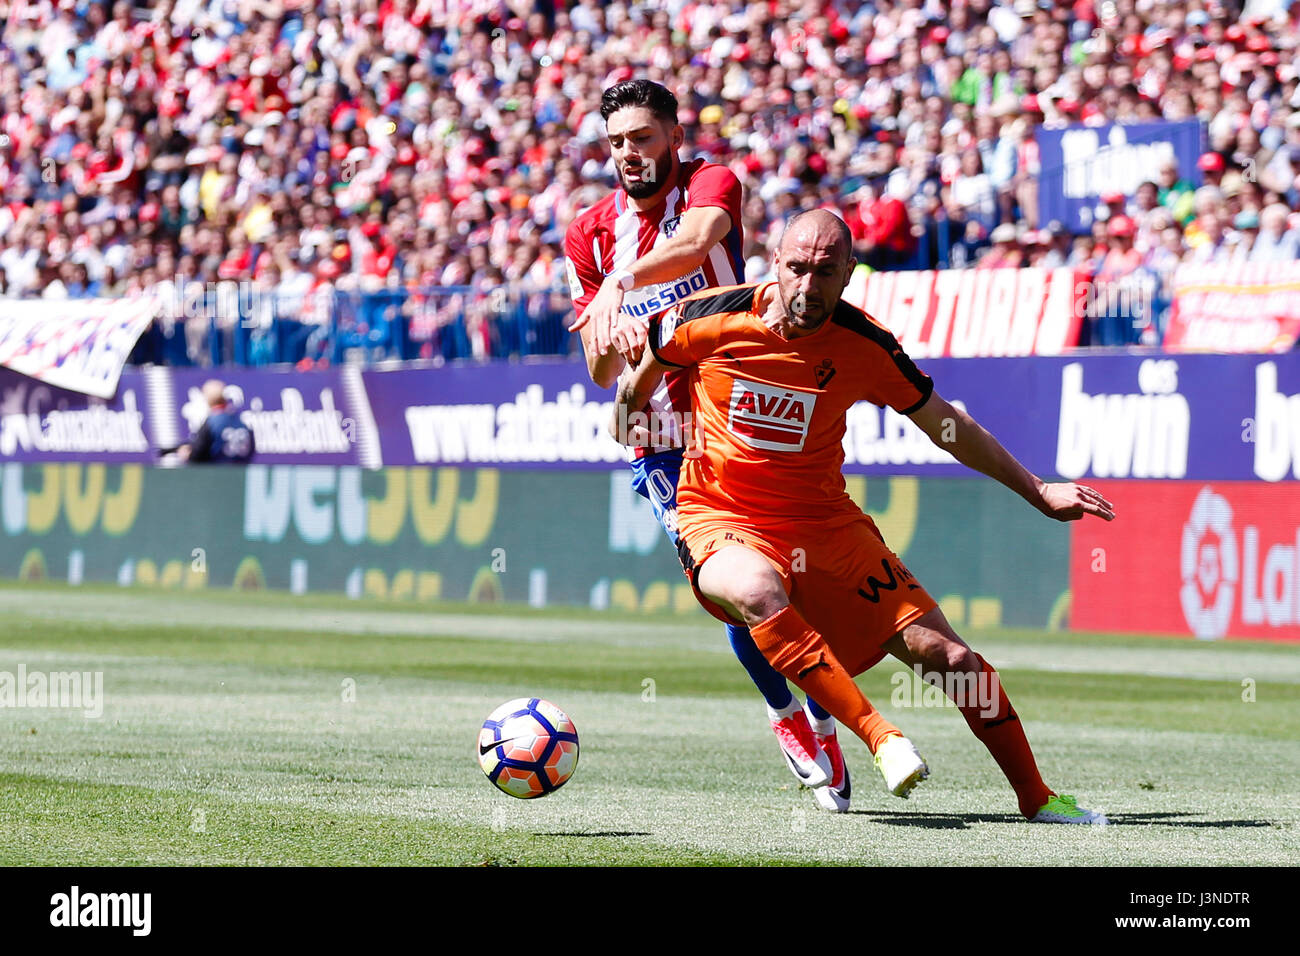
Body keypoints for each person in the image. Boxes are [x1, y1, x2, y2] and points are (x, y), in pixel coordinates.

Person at [612, 209, 1115, 824]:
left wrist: (1037, 490)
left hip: (826, 523)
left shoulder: (866, 345)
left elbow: (946, 426)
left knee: (953, 661)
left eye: (825, 271)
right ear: (775, 263)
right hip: (718, 512)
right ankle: (880, 736)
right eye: (797, 268)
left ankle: (1037, 798)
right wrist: (631, 405)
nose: (808, 285)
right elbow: (646, 368)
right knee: (756, 589)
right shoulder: (707, 317)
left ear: (849, 273)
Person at [563, 80, 850, 809]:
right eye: (618, 141)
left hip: (746, 419)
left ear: (673, 138)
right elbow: (600, 370)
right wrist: (619, 336)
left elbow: (697, 243)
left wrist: (625, 290)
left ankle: (822, 711)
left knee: (795, 582)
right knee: (733, 589)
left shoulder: (709, 186)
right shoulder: (590, 231)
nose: (630, 153)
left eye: (644, 137)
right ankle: (787, 715)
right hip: (663, 441)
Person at [179, 379, 255, 464]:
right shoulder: (241, 422)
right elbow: (251, 449)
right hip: (241, 473)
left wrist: (187, 455)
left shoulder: (211, 423)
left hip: (217, 474)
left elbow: (198, 454)